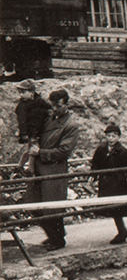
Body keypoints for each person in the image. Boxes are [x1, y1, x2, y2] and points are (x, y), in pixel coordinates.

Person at [26, 88, 80, 251]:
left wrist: (40, 152)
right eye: (53, 106)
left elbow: (64, 151)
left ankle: (57, 240)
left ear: (67, 104)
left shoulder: (71, 124)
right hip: (39, 167)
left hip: (55, 169)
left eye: (58, 106)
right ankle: (55, 235)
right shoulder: (48, 118)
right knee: (33, 204)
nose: (55, 110)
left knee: (52, 207)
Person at [91, 122, 127, 244]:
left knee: (116, 208)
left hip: (118, 184)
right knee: (111, 207)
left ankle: (122, 232)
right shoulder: (101, 149)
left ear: (118, 137)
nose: (111, 139)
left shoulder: (123, 152)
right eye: (109, 136)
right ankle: (122, 231)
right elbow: (95, 164)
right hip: (105, 183)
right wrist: (93, 176)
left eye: (114, 136)